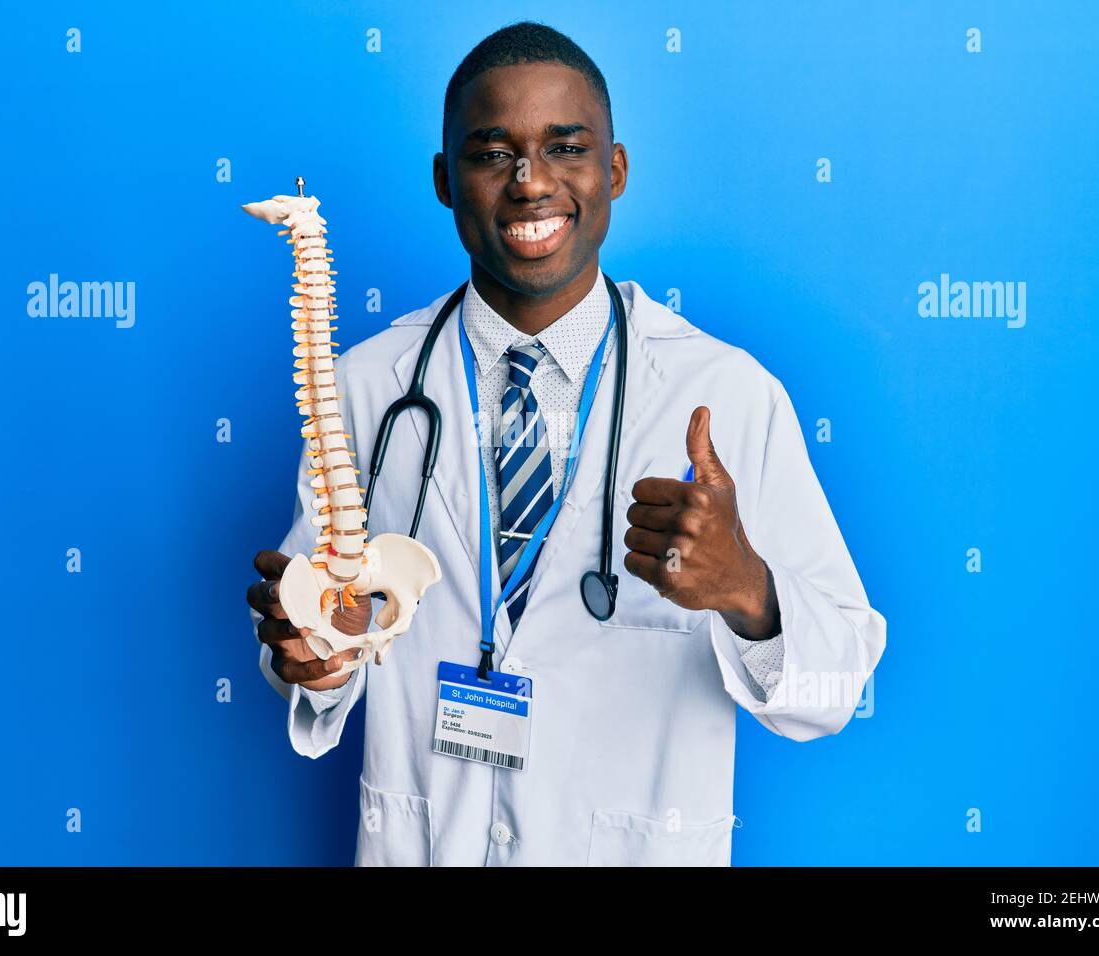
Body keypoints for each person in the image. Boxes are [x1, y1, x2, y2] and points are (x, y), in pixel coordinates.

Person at [247, 21, 886, 866]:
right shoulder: (369, 388)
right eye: (490, 153)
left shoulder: (728, 394)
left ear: (614, 171)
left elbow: (837, 690)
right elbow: (322, 648)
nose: (529, 182)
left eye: (565, 148)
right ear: (445, 180)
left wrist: (750, 592)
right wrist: (313, 654)